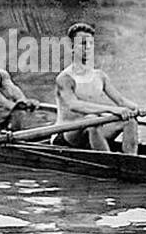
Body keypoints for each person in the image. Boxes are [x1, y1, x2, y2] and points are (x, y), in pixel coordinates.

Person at [54, 22, 140, 154]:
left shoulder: (100, 76)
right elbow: (74, 105)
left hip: (93, 127)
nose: (87, 47)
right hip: (67, 134)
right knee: (92, 121)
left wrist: (135, 108)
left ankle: (131, 161)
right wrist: (113, 110)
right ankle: (108, 163)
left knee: (130, 121)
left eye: (90, 44)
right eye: (83, 43)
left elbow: (121, 101)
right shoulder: (65, 78)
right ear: (71, 47)